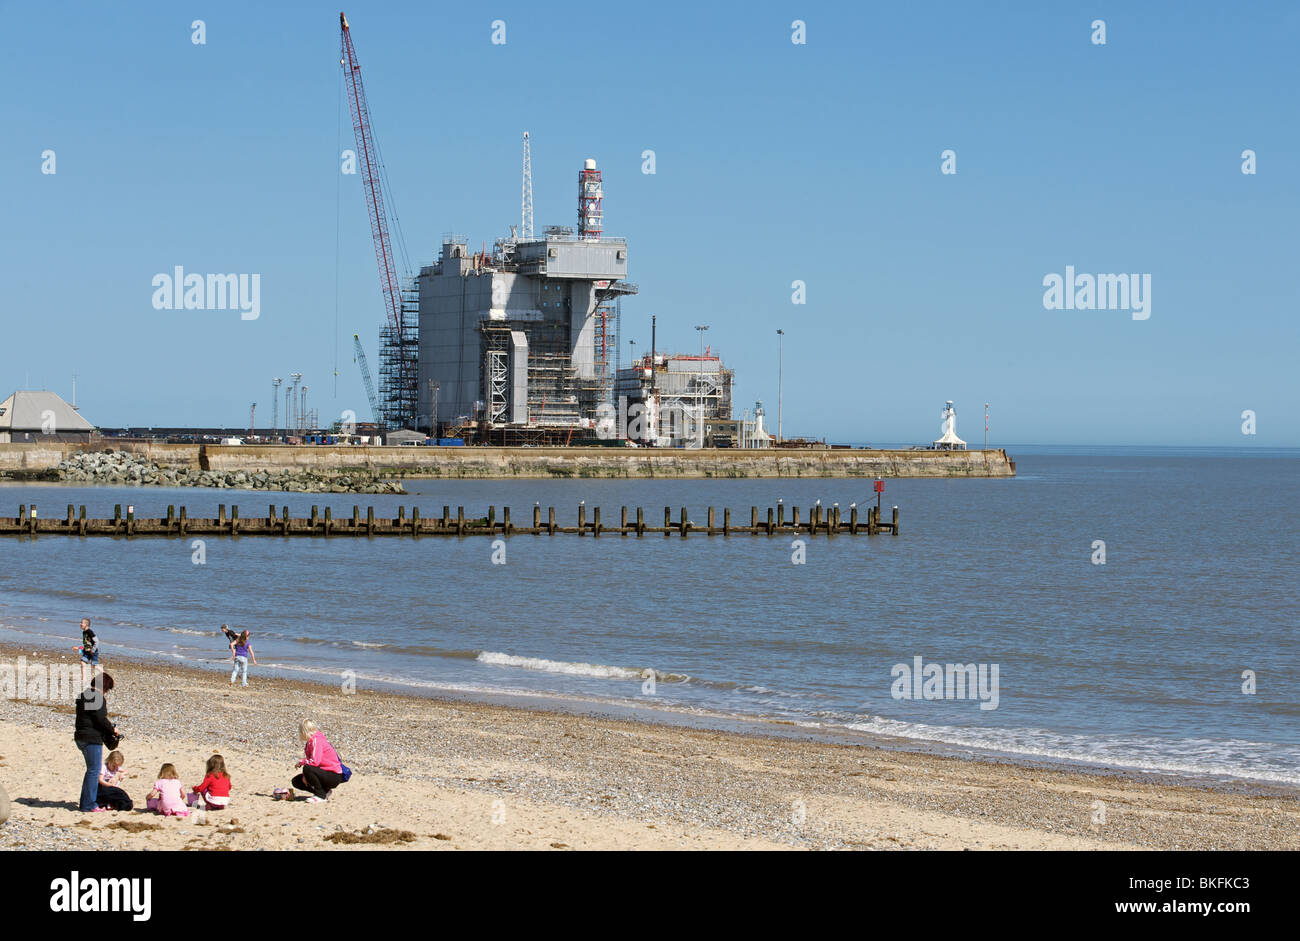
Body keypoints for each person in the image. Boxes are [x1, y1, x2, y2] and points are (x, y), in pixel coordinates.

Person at [73, 671, 120, 813]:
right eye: (107, 690)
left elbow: (92, 717)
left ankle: (87, 802)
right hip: (91, 738)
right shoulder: (97, 697)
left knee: (91, 771)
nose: (106, 693)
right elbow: (100, 719)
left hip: (80, 735)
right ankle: (89, 804)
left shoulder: (84, 696)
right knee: (93, 771)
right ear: (104, 687)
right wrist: (113, 730)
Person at [291, 720, 345, 803]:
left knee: (307, 769)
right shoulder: (310, 742)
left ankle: (320, 796)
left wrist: (302, 762)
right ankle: (325, 791)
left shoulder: (317, 740)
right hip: (324, 773)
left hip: (333, 775)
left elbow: (315, 762)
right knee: (296, 781)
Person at [76, 618, 99, 687]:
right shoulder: (84, 632)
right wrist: (80, 648)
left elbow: (97, 641)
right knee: (82, 662)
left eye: (82, 623)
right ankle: (83, 680)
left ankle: (104, 674)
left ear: (86, 624)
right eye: (80, 622)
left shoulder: (90, 632)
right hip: (87, 651)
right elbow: (87, 644)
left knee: (95, 666)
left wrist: (92, 650)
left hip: (93, 652)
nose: (80, 624)